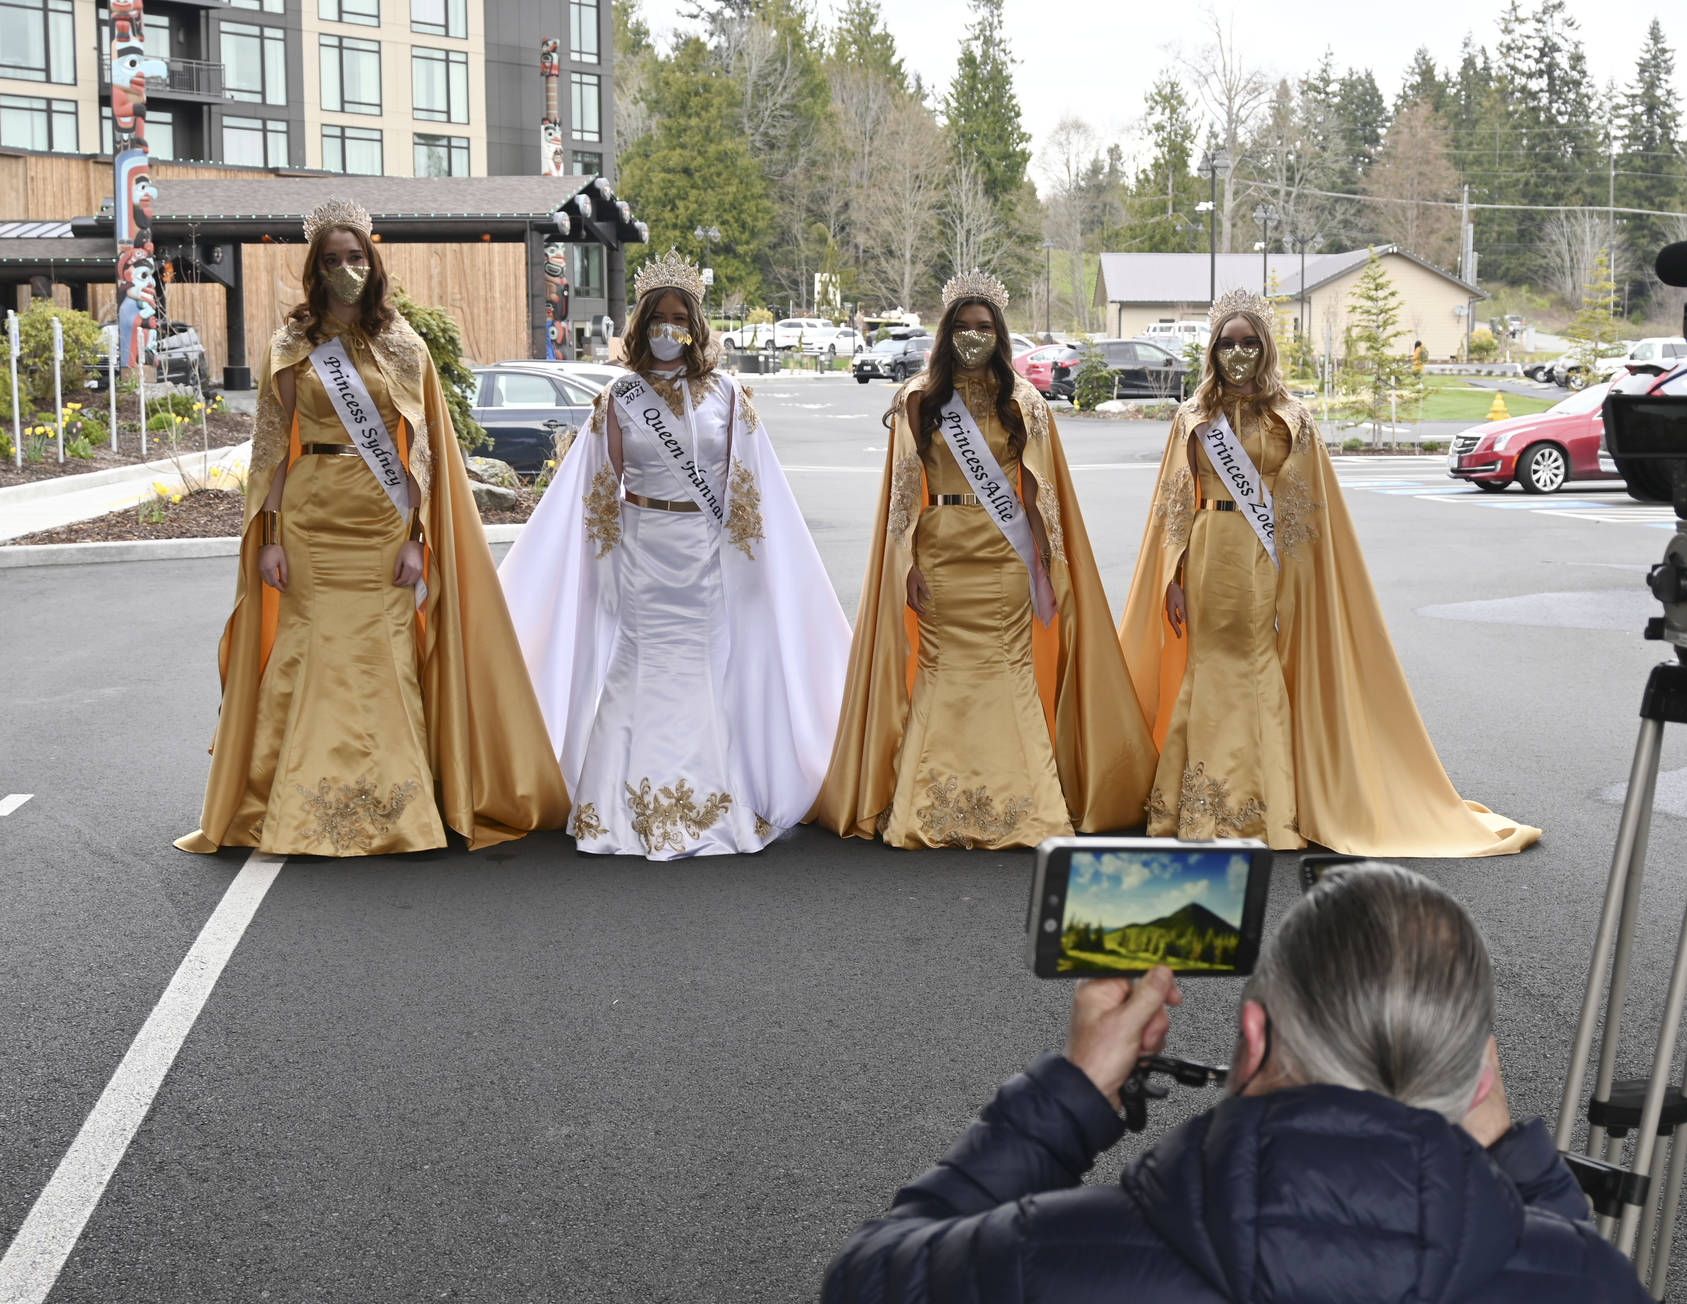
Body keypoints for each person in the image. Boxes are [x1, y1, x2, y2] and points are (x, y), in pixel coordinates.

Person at [820, 863, 1687, 1304]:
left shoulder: (1037, 1265)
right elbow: (1559, 1288)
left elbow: (863, 1294)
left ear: (1252, 1034)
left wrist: (1071, 1092)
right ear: (1480, 1076)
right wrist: (1521, 1165)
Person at [177, 199, 569, 856]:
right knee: (307, 657)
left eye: (355, 257)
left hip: (382, 519)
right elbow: (272, 445)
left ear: (373, 262)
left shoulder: (405, 344)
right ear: (316, 269)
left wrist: (420, 541)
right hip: (309, 516)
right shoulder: (292, 345)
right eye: (332, 260)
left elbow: (422, 453)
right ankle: (291, 807)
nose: (345, 269)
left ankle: (398, 809)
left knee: (384, 660)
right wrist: (269, 537)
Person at [1118, 288, 1538, 856]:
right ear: (1211, 350)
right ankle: (1202, 803)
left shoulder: (1292, 417)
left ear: (1265, 348)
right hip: (1208, 549)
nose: (1237, 353)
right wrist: (1172, 573)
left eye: (1248, 343)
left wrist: (1300, 581)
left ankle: (1263, 807)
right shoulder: (1192, 416)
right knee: (1207, 664)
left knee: (1257, 663)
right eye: (1226, 343)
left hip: (1264, 559)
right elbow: (1173, 501)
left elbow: (1308, 510)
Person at [498, 248, 850, 857]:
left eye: (679, 317)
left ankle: (715, 803)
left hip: (706, 554)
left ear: (695, 326)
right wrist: (603, 568)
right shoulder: (619, 398)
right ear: (640, 324)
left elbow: (751, 485)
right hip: (641, 553)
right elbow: (600, 490)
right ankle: (616, 807)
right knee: (636, 671)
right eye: (658, 316)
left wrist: (752, 563)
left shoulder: (729, 395)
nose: (668, 328)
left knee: (707, 674)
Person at [812, 271, 1153, 849]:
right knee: (941, 674)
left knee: (1010, 674)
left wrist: (1042, 560)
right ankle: (931, 808)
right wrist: (907, 565)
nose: (975, 336)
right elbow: (902, 494)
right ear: (947, 334)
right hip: (941, 548)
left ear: (1001, 334)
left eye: (986, 327)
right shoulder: (918, 399)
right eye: (965, 327)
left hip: (1005, 557)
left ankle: (1025, 808)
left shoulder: (1024, 401)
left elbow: (1039, 491)